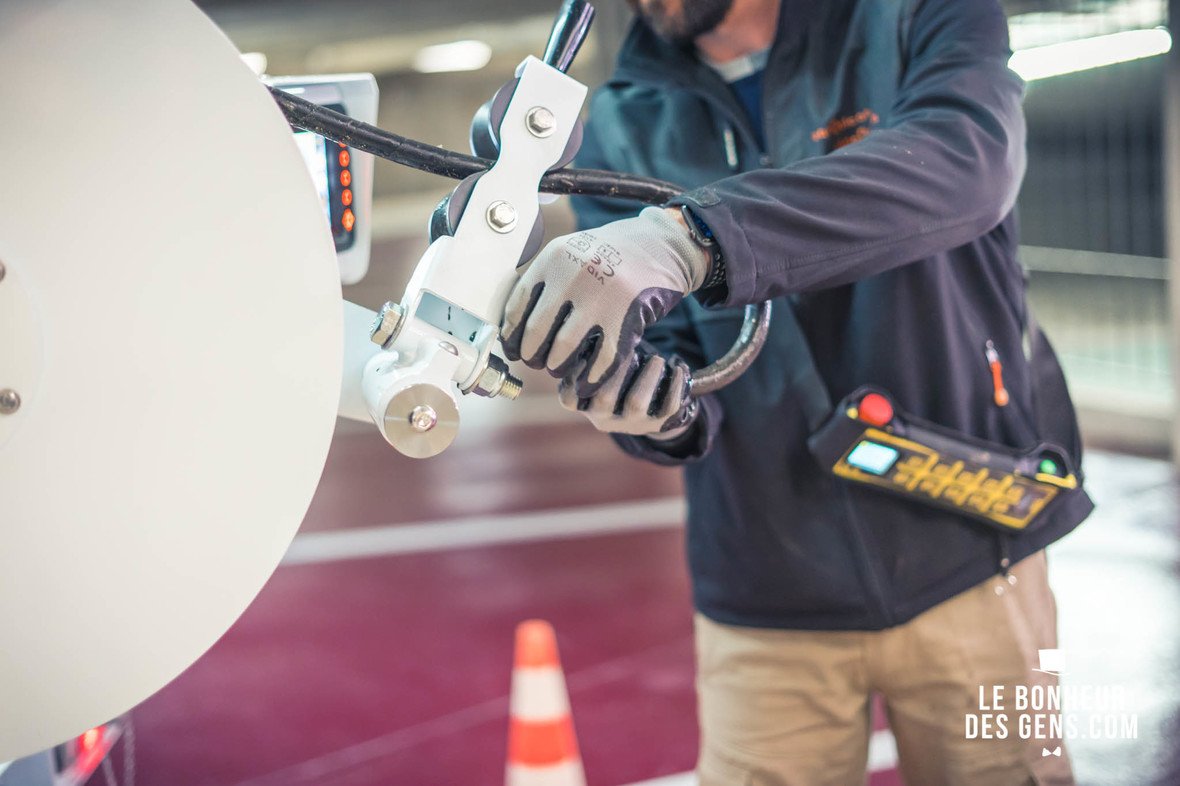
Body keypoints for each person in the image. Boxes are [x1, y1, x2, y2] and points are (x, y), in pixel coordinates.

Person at [499, 0, 1095, 783]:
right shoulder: (618, 122)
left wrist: (690, 237)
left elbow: (967, 161)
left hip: (973, 558)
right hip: (765, 591)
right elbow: (670, 362)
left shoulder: (916, 16)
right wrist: (652, 411)